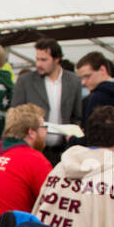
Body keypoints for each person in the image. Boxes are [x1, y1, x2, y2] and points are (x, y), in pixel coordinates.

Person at [11, 38, 82, 166]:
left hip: (62, 152)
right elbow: (14, 117)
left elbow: (77, 116)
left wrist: (73, 139)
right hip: (32, 151)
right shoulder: (25, 81)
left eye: (44, 60)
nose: (38, 64)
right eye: (37, 59)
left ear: (57, 59)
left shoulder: (73, 82)